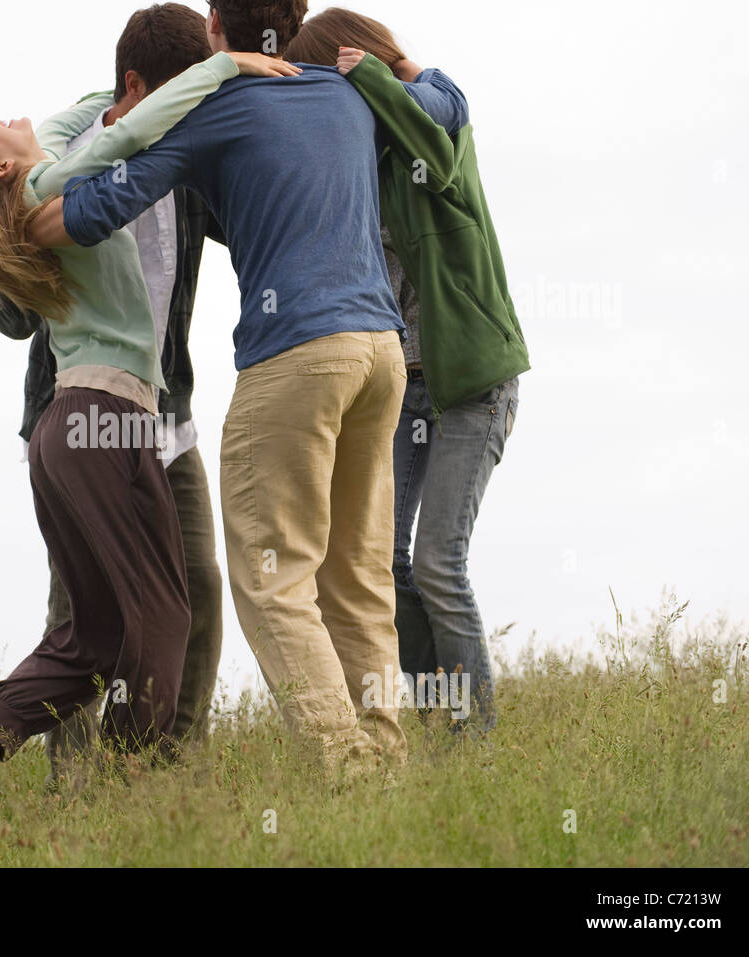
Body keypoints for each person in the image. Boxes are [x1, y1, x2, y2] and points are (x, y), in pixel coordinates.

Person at [29, 0, 467, 774]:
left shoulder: (217, 106)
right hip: (382, 355)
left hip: (297, 358)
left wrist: (28, 225)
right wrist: (400, 67)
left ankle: (344, 763)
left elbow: (105, 202)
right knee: (360, 574)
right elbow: (444, 103)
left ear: (214, 32)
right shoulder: (348, 91)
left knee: (273, 578)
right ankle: (386, 756)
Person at [0, 48, 300, 795]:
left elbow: (91, 120)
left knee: (89, 637)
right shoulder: (52, 183)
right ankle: (128, 787)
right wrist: (223, 65)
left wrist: (128, 93)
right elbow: (123, 138)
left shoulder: (42, 169)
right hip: (110, 421)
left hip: (72, 430)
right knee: (160, 617)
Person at [0, 3, 228, 785]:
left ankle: (166, 772)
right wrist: (26, 246)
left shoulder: (187, 161)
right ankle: (75, 788)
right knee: (85, 615)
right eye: (178, 93)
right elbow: (9, 316)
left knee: (198, 584)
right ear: (135, 85)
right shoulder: (74, 158)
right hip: (83, 414)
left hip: (167, 417)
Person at [286, 9, 531, 736]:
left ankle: (475, 740)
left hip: (472, 382)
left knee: (436, 562)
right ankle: (436, 720)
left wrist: (369, 74)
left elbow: (435, 131)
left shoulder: (436, 113)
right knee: (384, 562)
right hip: (406, 385)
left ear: (351, 62)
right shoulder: (370, 156)